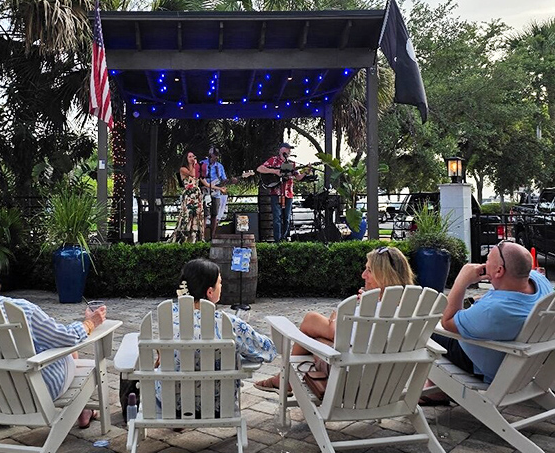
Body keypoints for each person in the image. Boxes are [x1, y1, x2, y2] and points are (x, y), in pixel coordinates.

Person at [0, 251, 108, 427]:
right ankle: (81, 409)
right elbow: (66, 337)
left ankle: (81, 410)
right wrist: (90, 323)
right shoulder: (21, 309)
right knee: (69, 351)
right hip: (38, 392)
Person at [254, 245, 415, 391]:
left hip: (351, 377)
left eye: (369, 270)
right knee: (317, 330)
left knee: (311, 328)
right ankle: (284, 379)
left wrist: (340, 314)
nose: (363, 275)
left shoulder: (371, 310)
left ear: (385, 276)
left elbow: (335, 333)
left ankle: (285, 379)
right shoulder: (413, 309)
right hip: (389, 383)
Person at [420, 241, 553, 403]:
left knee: (424, 329)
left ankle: (436, 392)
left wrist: (462, 281)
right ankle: (436, 387)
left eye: (488, 259)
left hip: (486, 362)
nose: (484, 263)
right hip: (525, 365)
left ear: (499, 270)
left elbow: (447, 321)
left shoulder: (494, 310)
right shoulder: (540, 282)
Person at [156, 258, 276, 411]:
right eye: (220, 282)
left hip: (170, 404)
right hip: (216, 406)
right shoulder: (227, 323)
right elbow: (267, 352)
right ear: (210, 292)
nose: (221, 286)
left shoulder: (168, 316)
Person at [257, 142, 309, 241]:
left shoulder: (292, 164)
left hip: (288, 194)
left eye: (290, 150)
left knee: (287, 218)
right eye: (287, 149)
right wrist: (275, 171)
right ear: (281, 150)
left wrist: (306, 172)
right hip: (276, 193)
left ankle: (284, 239)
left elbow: (298, 177)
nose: (289, 151)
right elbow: (260, 169)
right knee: (277, 218)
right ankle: (277, 240)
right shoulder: (273, 160)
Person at [170, 150, 205, 243]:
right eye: (190, 157)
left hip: (196, 194)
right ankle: (184, 237)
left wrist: (218, 188)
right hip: (189, 195)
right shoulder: (183, 169)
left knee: (197, 214)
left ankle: (196, 237)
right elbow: (192, 174)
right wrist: (194, 165)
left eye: (193, 156)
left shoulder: (196, 169)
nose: (192, 158)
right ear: (186, 159)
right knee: (188, 214)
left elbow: (202, 180)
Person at [200, 146, 228, 239]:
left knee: (214, 214)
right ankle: (202, 236)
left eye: (217, 155)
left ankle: (212, 236)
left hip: (216, 192)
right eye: (214, 155)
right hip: (205, 191)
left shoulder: (219, 166)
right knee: (205, 214)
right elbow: (199, 178)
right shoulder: (203, 163)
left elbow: (223, 179)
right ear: (210, 155)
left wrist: (231, 181)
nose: (216, 157)